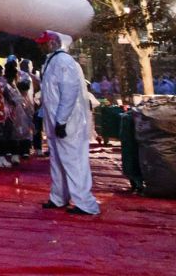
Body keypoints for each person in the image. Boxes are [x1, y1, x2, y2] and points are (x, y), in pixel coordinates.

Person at [36, 31, 100, 216]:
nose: (40, 47)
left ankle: (84, 202)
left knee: (73, 161)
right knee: (58, 160)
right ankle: (59, 197)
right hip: (56, 120)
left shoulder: (62, 62)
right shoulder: (53, 61)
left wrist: (62, 120)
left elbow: (69, 92)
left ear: (52, 43)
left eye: (43, 43)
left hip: (67, 122)